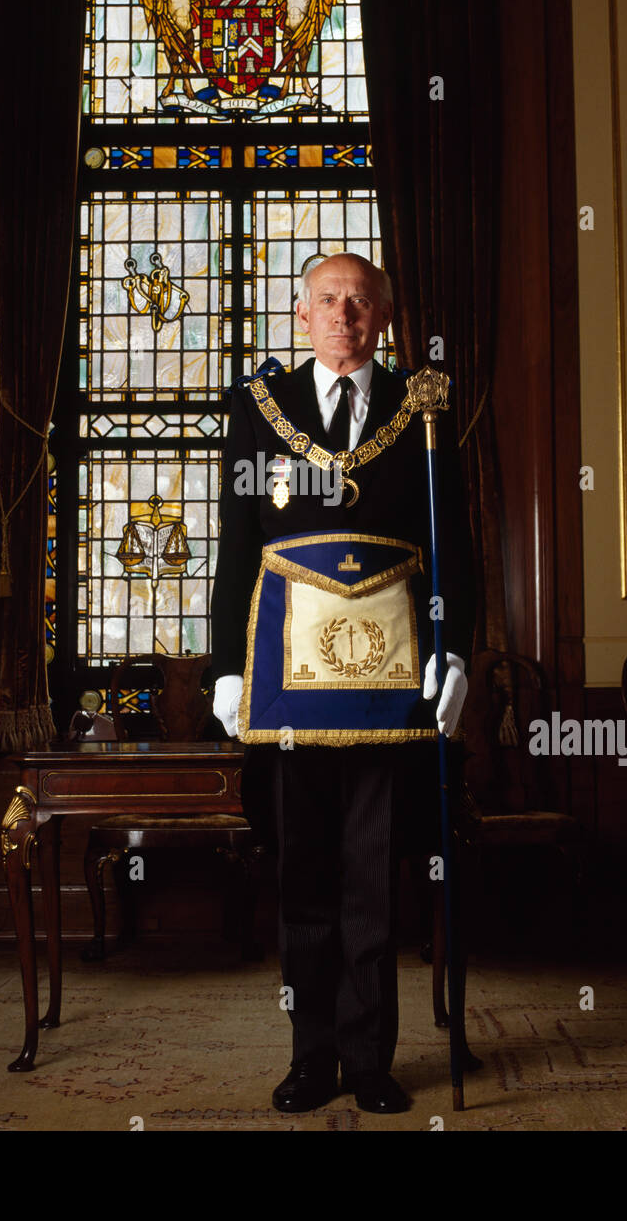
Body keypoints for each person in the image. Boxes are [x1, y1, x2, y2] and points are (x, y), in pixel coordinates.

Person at [209, 252, 474, 1113]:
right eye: (327, 300)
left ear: (384, 318)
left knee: (371, 878)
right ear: (301, 315)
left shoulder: (420, 406)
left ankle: (369, 1062)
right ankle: (310, 1058)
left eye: (360, 303)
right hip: (287, 688)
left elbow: (453, 544)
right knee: (305, 877)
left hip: (390, 688)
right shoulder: (260, 411)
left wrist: (455, 649)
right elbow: (236, 548)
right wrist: (224, 669)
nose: (343, 316)